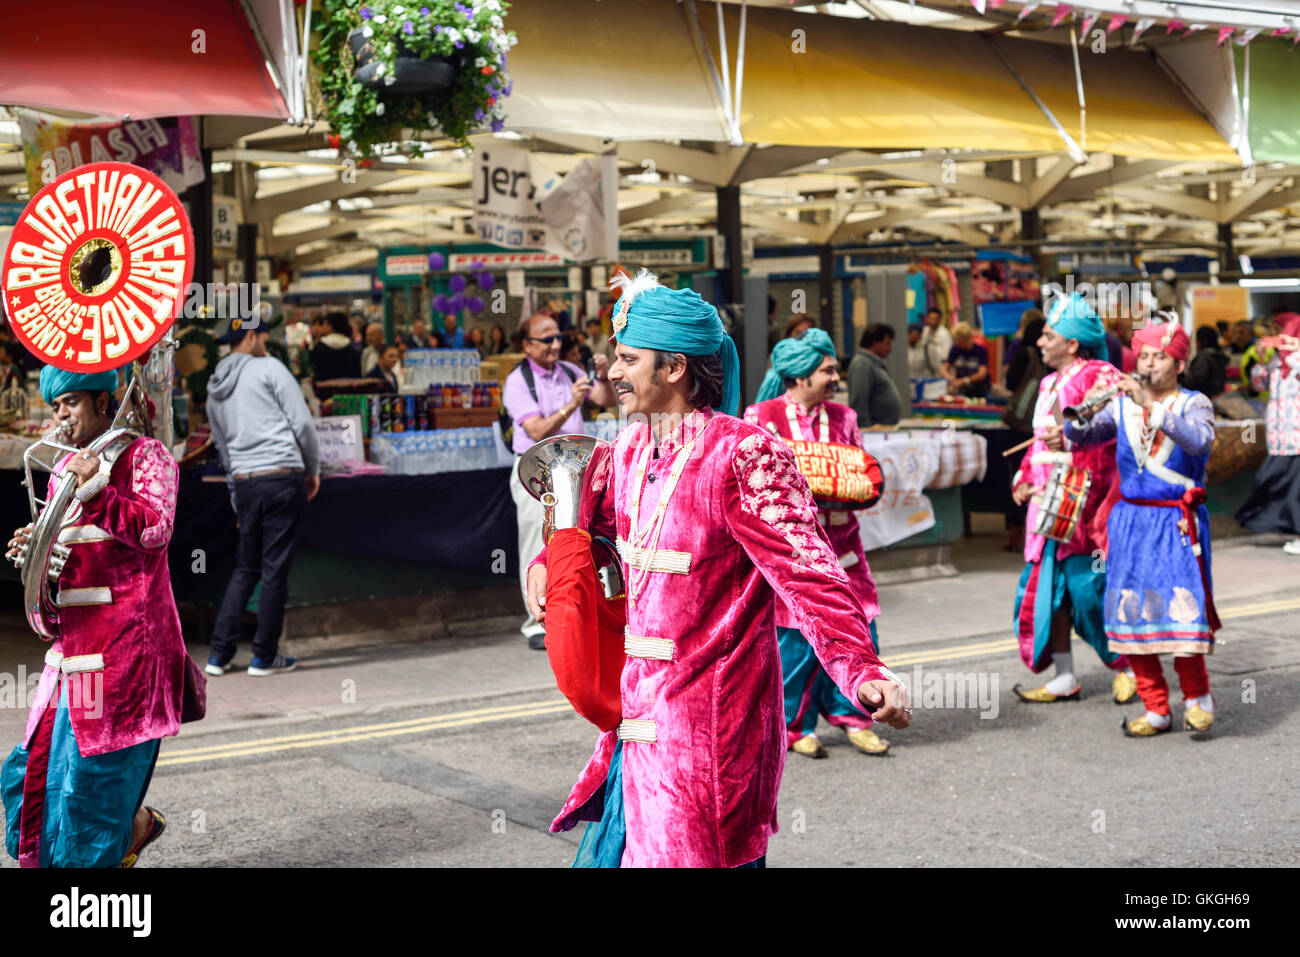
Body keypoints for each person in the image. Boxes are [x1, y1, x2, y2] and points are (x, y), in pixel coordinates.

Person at [526, 269, 909, 867]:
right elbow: (584, 524)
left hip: (711, 740)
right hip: (638, 725)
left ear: (674, 368)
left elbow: (810, 576)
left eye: (627, 359)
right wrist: (546, 560)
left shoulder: (744, 454)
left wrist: (861, 667)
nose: (612, 373)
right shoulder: (627, 449)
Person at [3, 365, 187, 868]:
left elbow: (155, 533)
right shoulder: (65, 466)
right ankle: (129, 831)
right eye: (57, 406)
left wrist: (97, 491)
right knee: (36, 772)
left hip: (126, 652)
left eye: (73, 403)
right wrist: (36, 548)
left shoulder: (146, 456)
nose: (62, 415)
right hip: (72, 650)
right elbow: (61, 547)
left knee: (93, 783)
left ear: (105, 403)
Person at [1066, 323, 1219, 736]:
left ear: (1180, 363)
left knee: (1182, 610)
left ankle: (1196, 697)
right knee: (1131, 613)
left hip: (1176, 523)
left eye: (1160, 357)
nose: (1149, 364)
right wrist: (1078, 419)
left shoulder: (1193, 403)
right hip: (1130, 522)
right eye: (1145, 356)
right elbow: (1083, 437)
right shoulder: (1120, 405)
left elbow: (1199, 443)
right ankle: (1155, 707)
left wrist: (1151, 407)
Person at [744, 329, 892, 757]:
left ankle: (856, 716)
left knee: (859, 631)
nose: (835, 377)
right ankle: (794, 726)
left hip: (844, 544)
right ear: (799, 376)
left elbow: (862, 471)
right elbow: (749, 486)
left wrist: (866, 485)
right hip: (791, 552)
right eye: (827, 370)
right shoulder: (762, 415)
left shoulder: (845, 417)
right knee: (796, 644)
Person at [1010, 293, 1135, 704]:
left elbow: (1111, 435)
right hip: (1045, 508)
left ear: (1073, 343)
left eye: (1049, 336)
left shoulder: (1103, 378)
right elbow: (1034, 445)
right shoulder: (1046, 384)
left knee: (1089, 591)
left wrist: (1068, 437)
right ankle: (1064, 675)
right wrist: (1024, 478)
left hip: (1083, 505)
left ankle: (1128, 664)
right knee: (1048, 592)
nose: (1040, 342)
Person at [205, 317, 321, 678]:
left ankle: (219, 655)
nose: (267, 346)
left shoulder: (213, 388)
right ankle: (264, 656)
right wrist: (313, 468)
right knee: (274, 571)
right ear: (252, 337)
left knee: (245, 568)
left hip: (245, 481)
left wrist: (237, 493)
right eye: (265, 338)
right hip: (281, 477)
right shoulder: (270, 368)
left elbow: (222, 447)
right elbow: (302, 423)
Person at [503, 313, 615, 650]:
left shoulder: (570, 371)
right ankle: (535, 622)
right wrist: (571, 405)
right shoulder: (517, 381)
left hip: (574, 470)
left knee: (576, 540)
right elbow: (536, 430)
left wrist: (605, 375)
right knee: (535, 546)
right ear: (527, 345)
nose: (555, 345)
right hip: (536, 474)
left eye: (557, 338)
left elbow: (606, 400)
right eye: (546, 339)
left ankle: (574, 613)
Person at [1236, 313, 1300, 555]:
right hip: (1280, 440)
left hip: (1297, 440)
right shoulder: (1276, 364)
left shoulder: (1295, 361)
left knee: (1295, 492)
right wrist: (1262, 361)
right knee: (1274, 484)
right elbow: (1259, 386)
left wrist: (1294, 352)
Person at [846, 323, 902, 427]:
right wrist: (866, 431)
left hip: (882, 432)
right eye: (887, 344)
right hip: (873, 436)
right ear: (875, 343)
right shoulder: (862, 365)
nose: (890, 348)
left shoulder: (872, 363)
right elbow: (859, 403)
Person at [941, 322, 990, 399]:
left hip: (979, 391)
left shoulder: (981, 351)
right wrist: (952, 380)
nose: (957, 343)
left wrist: (963, 381)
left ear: (967, 339)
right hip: (962, 393)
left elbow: (982, 374)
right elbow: (944, 369)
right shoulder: (955, 349)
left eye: (959, 341)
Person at [310, 312, 363, 382]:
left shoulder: (319, 348)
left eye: (325, 324)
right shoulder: (353, 348)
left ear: (330, 326)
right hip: (348, 391)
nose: (323, 327)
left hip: (324, 391)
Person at [1181, 325, 1228, 398]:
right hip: (1220, 397)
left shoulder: (1203, 358)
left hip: (1204, 397)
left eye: (1196, 340)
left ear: (1203, 341)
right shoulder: (1220, 356)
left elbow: (1195, 381)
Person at [920, 307, 952, 376]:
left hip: (940, 365)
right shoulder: (924, 331)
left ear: (939, 320)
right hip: (925, 366)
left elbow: (946, 354)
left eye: (935, 319)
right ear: (927, 318)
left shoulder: (944, 333)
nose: (933, 321)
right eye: (931, 318)